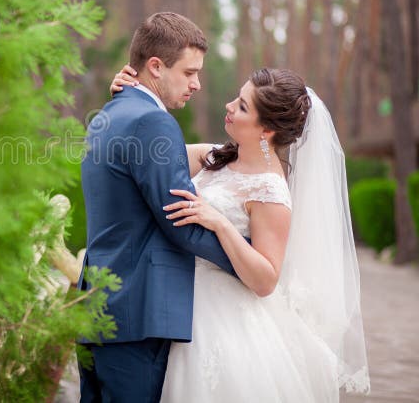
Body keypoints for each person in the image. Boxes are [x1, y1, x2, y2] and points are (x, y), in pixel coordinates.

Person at [109, 64, 370, 401]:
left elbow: (266, 279)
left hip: (223, 321)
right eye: (237, 97)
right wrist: (130, 99)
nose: (229, 106)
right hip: (179, 299)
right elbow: (148, 155)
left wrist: (220, 224)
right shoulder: (214, 156)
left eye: (243, 106)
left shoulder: (271, 192)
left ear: (266, 131)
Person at [77, 12, 243, 402]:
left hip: (98, 305)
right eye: (189, 73)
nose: (197, 84)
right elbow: (181, 222)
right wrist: (246, 259)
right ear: (155, 66)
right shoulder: (153, 122)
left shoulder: (108, 115)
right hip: (138, 313)